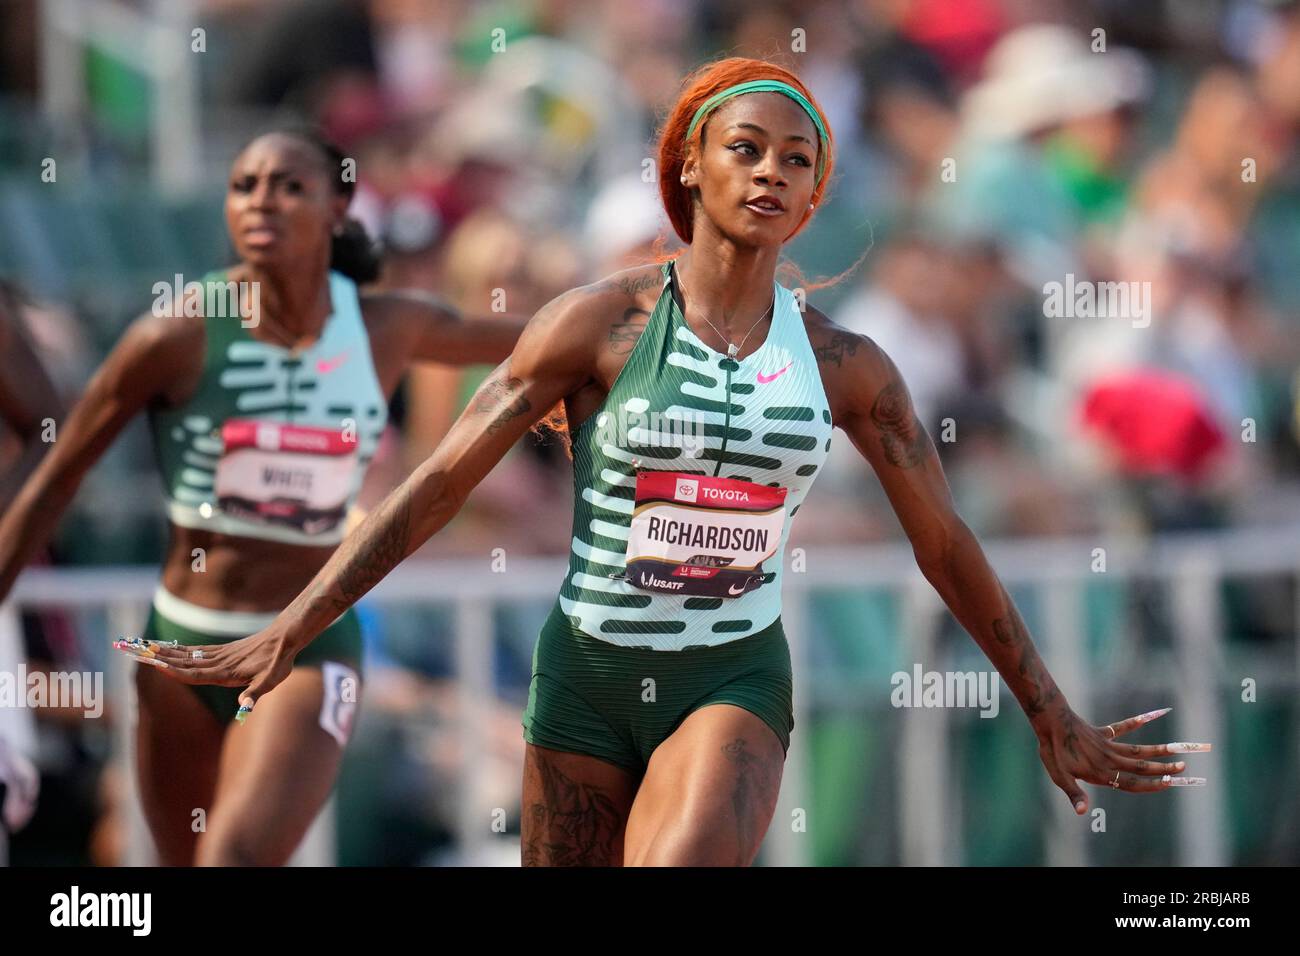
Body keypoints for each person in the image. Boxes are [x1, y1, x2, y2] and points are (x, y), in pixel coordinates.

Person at [143, 61, 1210, 867]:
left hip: (730, 674)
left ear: (813, 197)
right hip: (585, 674)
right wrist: (296, 620)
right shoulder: (593, 325)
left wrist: (1045, 705)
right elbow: (435, 487)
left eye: (798, 161)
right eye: (747, 148)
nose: (771, 172)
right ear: (691, 165)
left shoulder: (849, 367)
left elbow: (942, 540)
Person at [0, 127, 525, 865]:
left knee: (236, 858)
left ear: (339, 206)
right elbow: (58, 474)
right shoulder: (176, 332)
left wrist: (657, 314)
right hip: (180, 644)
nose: (261, 202)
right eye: (244, 186)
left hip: (305, 645)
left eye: (289, 186)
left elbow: (543, 341)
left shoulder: (387, 329)